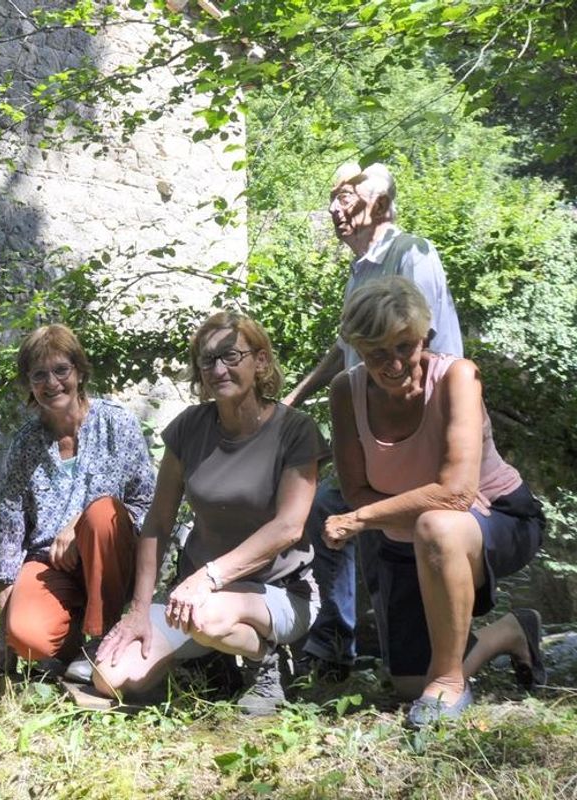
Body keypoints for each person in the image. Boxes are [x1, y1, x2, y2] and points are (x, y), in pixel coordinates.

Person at [321, 276, 545, 726]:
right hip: (405, 536)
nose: (394, 363)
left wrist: (361, 518)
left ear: (423, 334)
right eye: (377, 353)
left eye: (404, 346)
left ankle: (450, 681)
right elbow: (354, 487)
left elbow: (457, 492)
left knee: (437, 524)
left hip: (497, 517)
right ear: (359, 351)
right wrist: (367, 511)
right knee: (407, 682)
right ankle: (510, 631)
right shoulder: (347, 392)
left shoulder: (458, 376)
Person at [93, 312, 329, 714]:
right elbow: (158, 523)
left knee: (204, 617)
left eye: (231, 356)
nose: (219, 368)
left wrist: (210, 575)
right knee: (109, 676)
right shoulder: (189, 427)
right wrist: (138, 611)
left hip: (280, 593)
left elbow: (288, 527)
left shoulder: (295, 430)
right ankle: (212, 663)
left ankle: (266, 664)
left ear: (260, 361)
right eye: (208, 361)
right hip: (197, 596)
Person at [283, 162, 466, 681]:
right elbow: (346, 347)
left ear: (381, 203)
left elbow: (426, 347)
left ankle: (403, 650)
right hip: (372, 427)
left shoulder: (411, 254)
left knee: (375, 522)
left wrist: (425, 428)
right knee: (338, 511)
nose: (334, 208)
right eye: (332, 198)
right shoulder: (362, 269)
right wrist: (295, 396)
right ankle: (343, 643)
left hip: (418, 428)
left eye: (346, 196)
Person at [0, 324, 156, 683]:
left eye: (61, 370)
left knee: (101, 514)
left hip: (113, 560)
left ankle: (103, 638)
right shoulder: (26, 444)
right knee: (27, 638)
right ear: (29, 385)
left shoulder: (118, 423)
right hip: (50, 563)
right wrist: (4, 628)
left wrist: (80, 524)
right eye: (39, 375)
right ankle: (71, 642)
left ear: (79, 372)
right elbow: (9, 533)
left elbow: (148, 505)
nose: (52, 383)